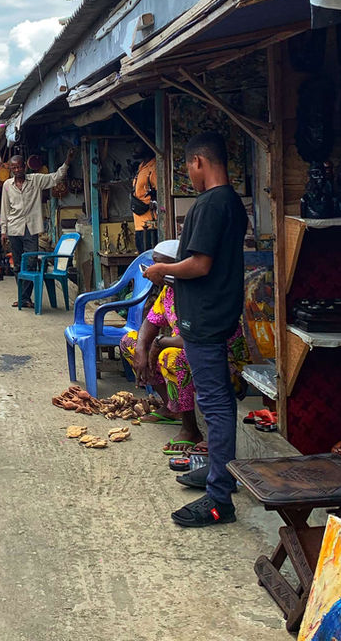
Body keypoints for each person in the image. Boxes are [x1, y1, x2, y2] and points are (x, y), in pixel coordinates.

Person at [143, 131, 247, 528]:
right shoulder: (232, 202)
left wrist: (162, 270)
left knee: (216, 403)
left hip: (204, 318)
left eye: (188, 165)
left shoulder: (209, 203)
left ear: (199, 162)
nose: (189, 172)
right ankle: (220, 472)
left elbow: (199, 265)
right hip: (215, 311)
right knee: (214, 398)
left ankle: (219, 498)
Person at [121, 239, 246, 456]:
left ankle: (191, 429)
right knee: (130, 343)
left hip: (225, 363)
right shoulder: (168, 292)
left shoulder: (199, 292)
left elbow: (198, 339)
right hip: (194, 354)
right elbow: (150, 323)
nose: (151, 271)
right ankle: (173, 407)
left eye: (158, 266)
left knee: (172, 356)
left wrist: (159, 343)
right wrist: (142, 348)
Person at [0, 149, 75, 309]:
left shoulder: (35, 180)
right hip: (14, 228)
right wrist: (3, 230)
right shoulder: (7, 185)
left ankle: (25, 298)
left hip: (31, 229)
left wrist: (67, 162)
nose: (17, 170)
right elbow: (4, 209)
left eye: (19, 167)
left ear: (24, 167)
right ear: (11, 169)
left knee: (31, 262)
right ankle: (23, 298)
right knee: (18, 265)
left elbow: (55, 177)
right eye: (14, 168)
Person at [131, 147, 158, 252]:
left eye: (138, 145)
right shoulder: (142, 166)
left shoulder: (154, 168)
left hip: (150, 225)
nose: (134, 148)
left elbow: (161, 192)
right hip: (139, 223)